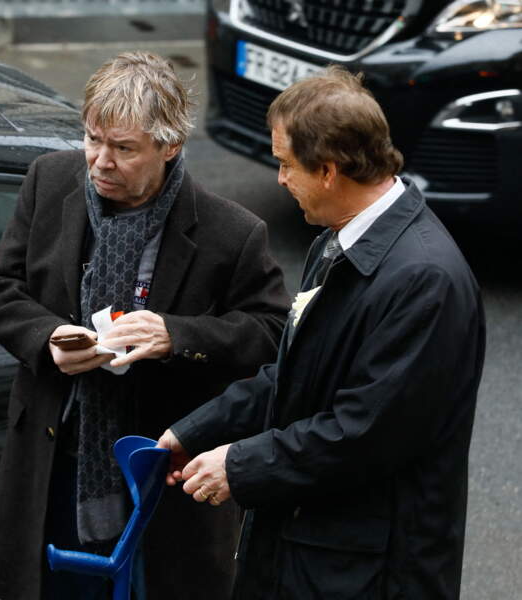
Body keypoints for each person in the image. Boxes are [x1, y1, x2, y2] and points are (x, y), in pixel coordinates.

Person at [159, 66, 486, 599]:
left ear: (329, 170)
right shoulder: (339, 241)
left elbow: (363, 434)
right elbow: (295, 376)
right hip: (321, 553)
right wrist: (196, 431)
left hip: (372, 575)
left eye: (286, 164)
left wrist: (238, 466)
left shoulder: (427, 282)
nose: (280, 179)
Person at [0, 51, 289, 600]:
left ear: (170, 147)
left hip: (163, 477)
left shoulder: (232, 232)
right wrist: (48, 339)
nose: (99, 161)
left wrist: (177, 337)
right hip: (54, 464)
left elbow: (269, 332)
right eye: (93, 139)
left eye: (123, 149)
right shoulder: (49, 182)